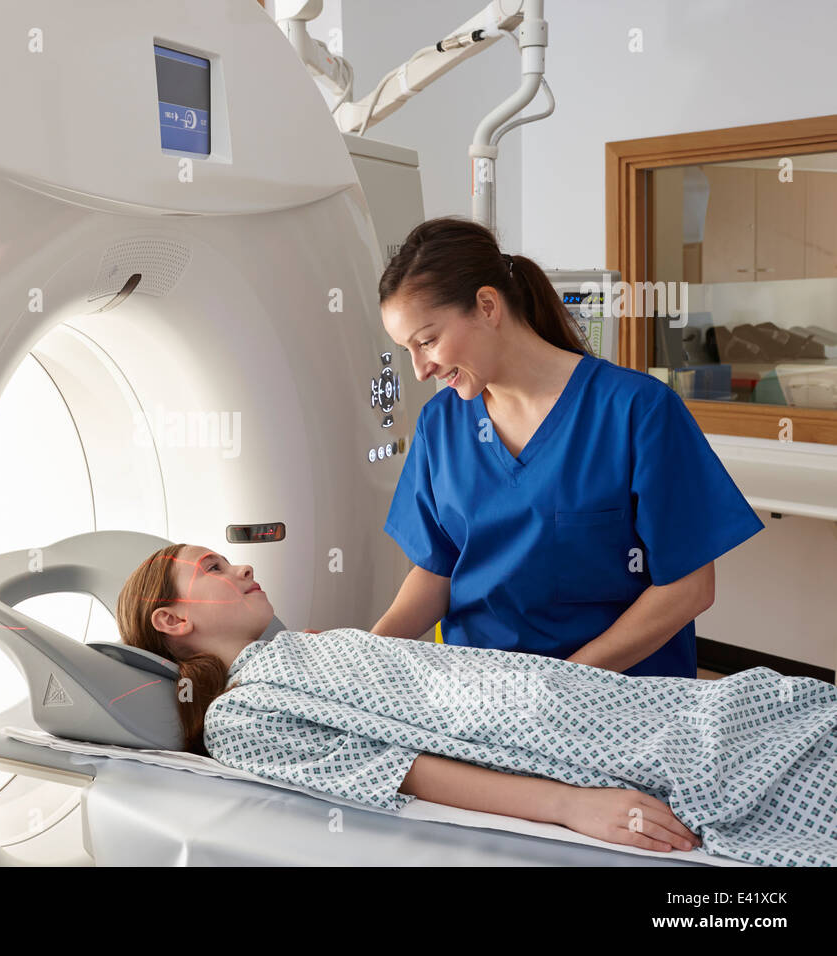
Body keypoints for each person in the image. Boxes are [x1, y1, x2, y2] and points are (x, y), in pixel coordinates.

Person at [115, 542, 837, 867]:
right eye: (212, 567)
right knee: (765, 766)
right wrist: (571, 806)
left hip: (585, 696)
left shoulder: (310, 645)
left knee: (782, 708)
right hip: (576, 746)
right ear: (173, 622)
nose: (240, 565)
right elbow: (405, 770)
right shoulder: (239, 716)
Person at [373, 216, 765, 677]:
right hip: (481, 693)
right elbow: (436, 571)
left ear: (486, 305)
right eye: (408, 351)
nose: (420, 370)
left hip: (614, 696)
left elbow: (689, 588)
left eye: (428, 341)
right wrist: (364, 654)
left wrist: (563, 686)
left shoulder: (637, 411)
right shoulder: (441, 424)